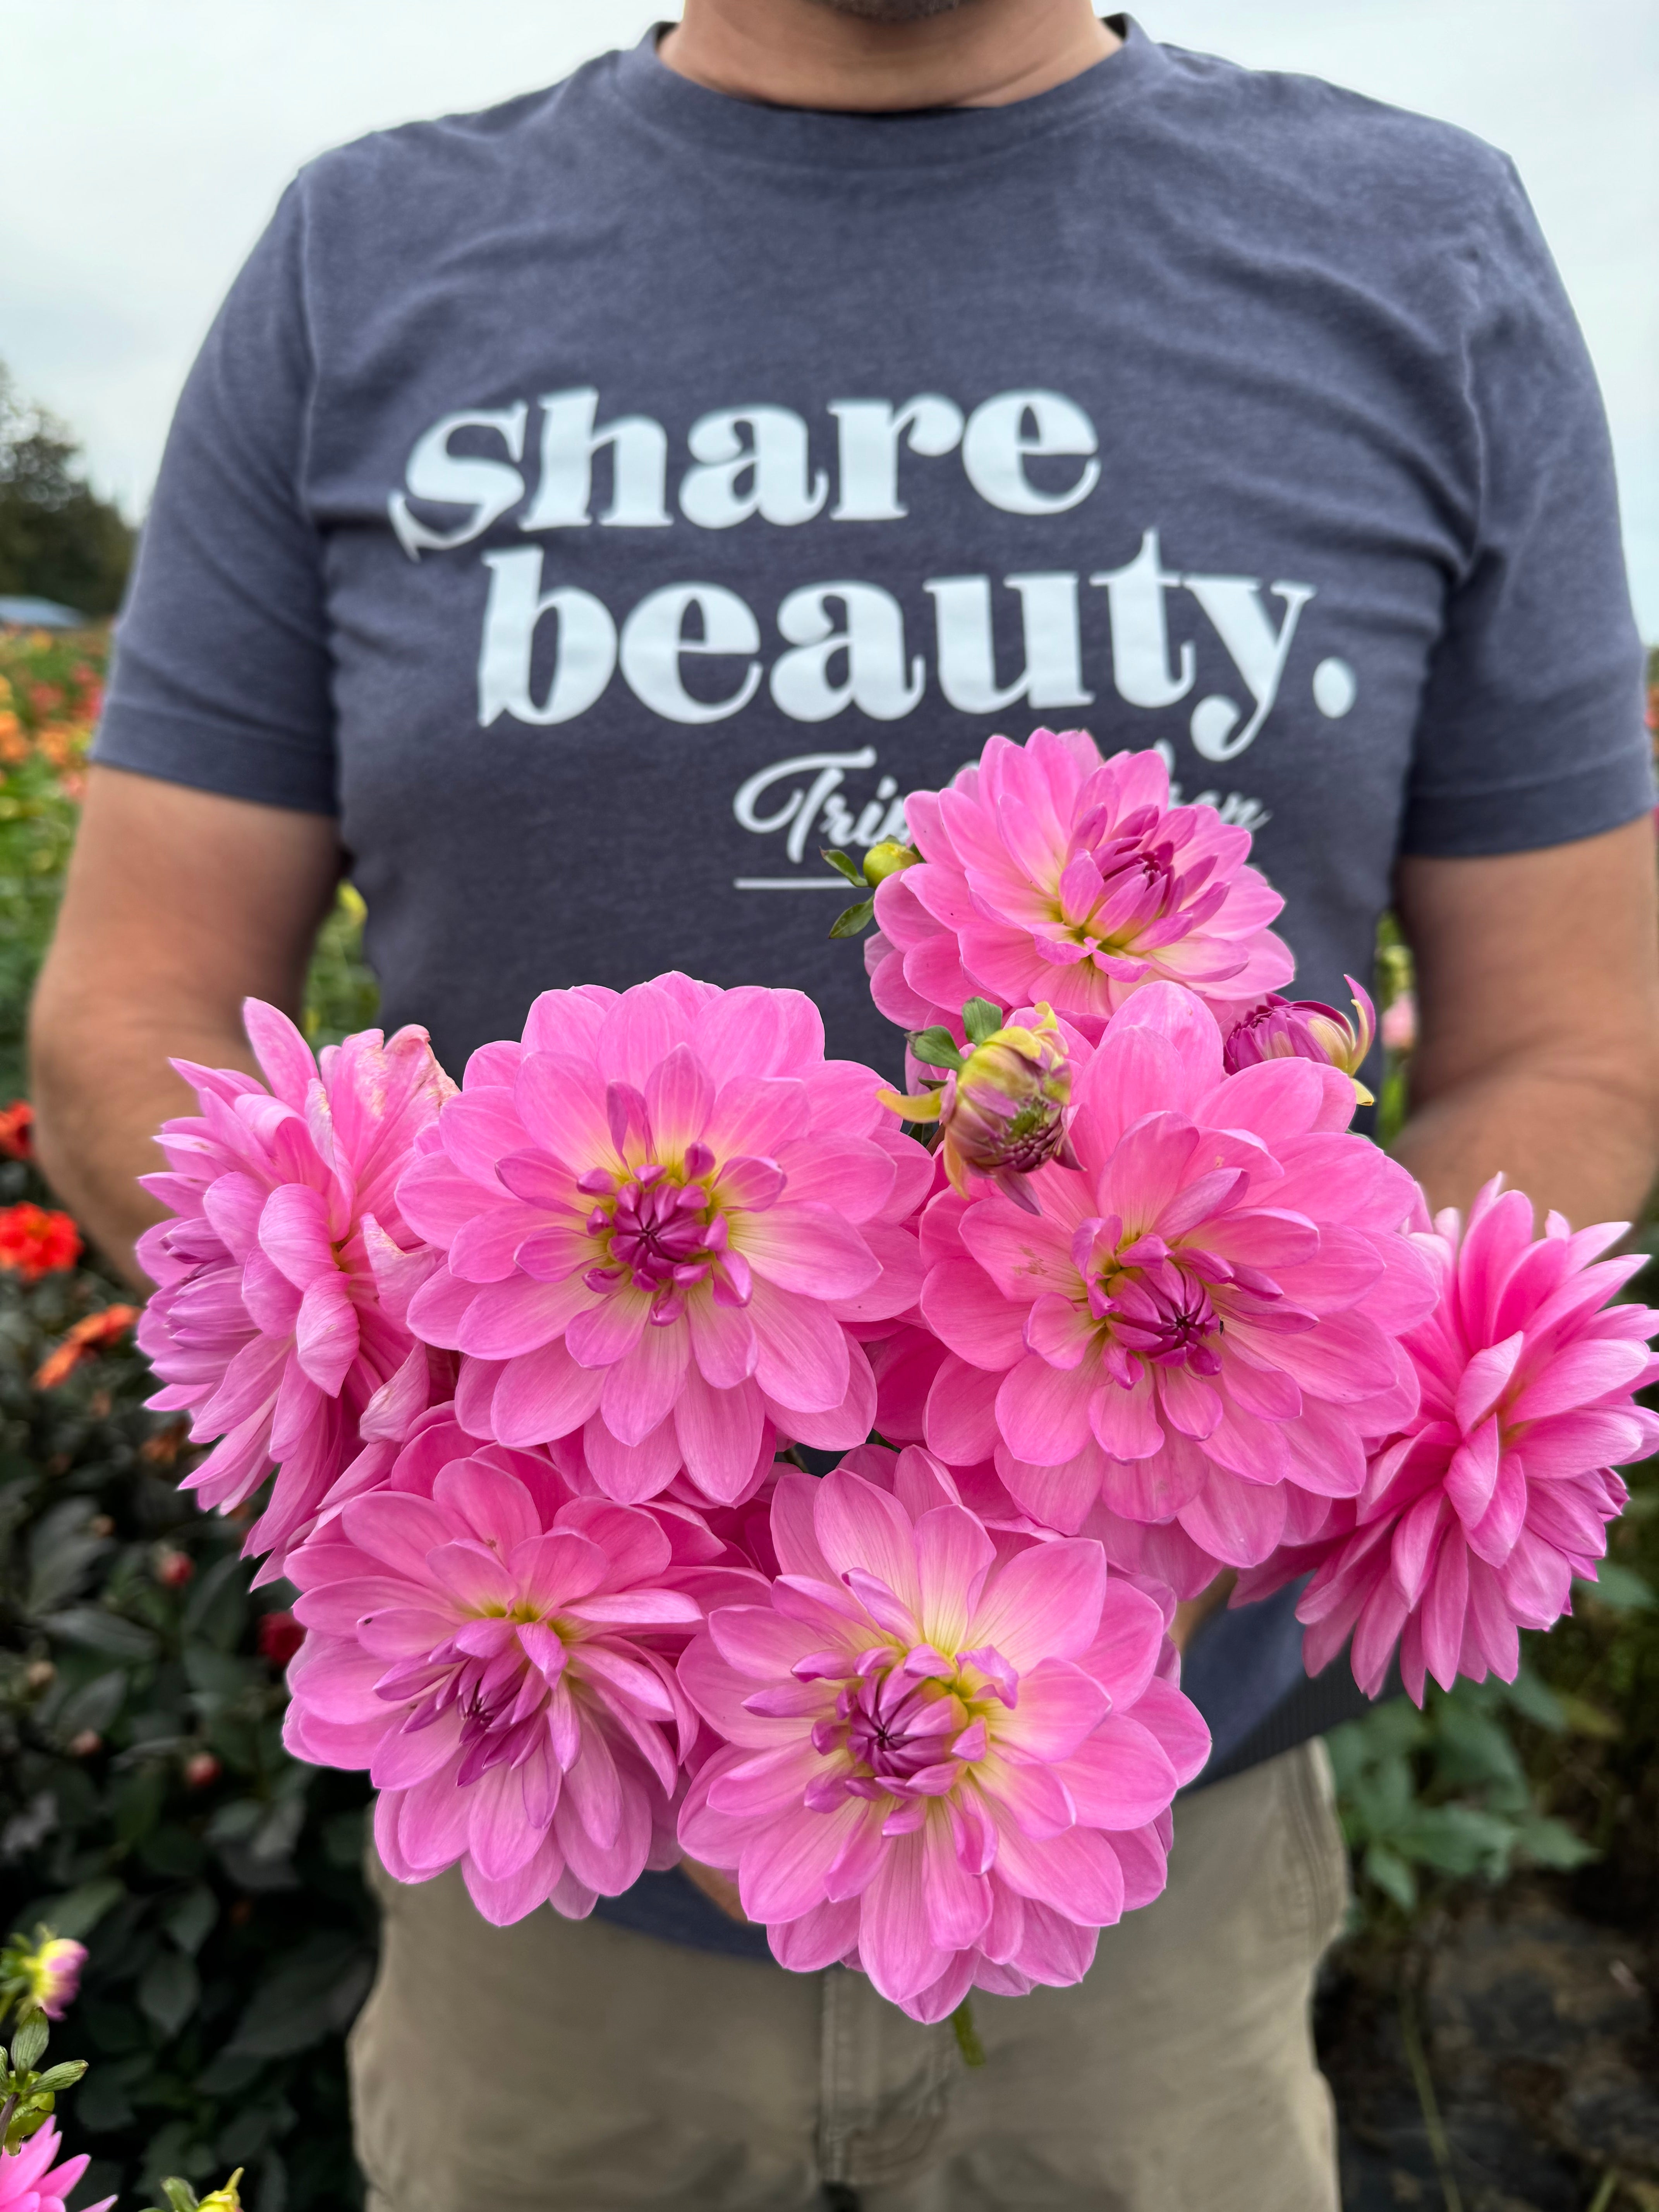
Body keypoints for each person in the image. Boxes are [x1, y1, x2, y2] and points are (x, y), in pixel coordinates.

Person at [30, 3, 1659, 2205]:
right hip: (545, 1852)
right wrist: (398, 1340)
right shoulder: (368, 259)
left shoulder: (1414, 243)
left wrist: (1263, 1452)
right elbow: (124, 1006)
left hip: (1133, 1846)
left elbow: (1582, 1038)